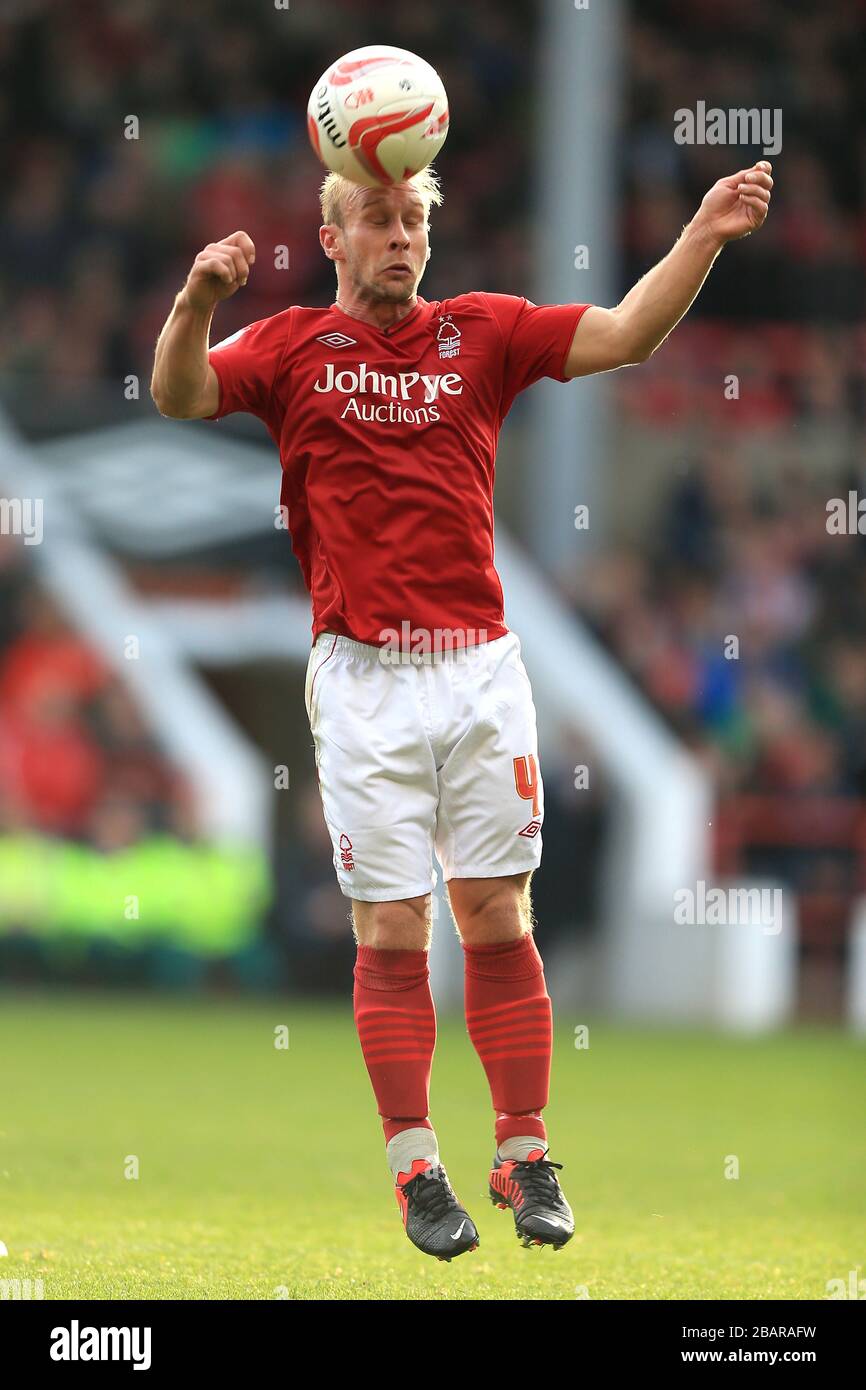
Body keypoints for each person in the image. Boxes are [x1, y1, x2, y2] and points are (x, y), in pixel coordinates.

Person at [150, 157, 773, 1260]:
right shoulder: (291, 347)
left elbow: (626, 332)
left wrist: (703, 233)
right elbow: (179, 394)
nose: (395, 235)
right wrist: (199, 301)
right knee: (394, 927)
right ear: (332, 238)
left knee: (495, 916)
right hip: (359, 679)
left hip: (477, 668)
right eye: (372, 219)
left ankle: (523, 1153)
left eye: (408, 220)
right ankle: (414, 1165)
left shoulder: (482, 333)